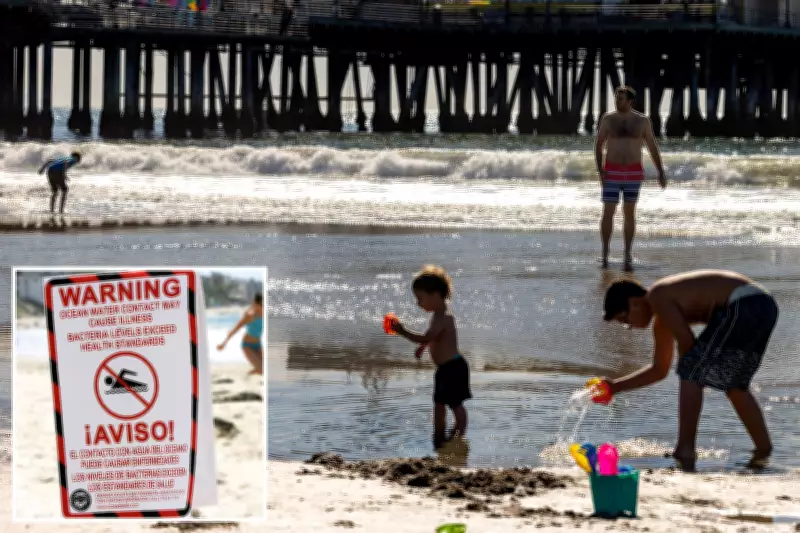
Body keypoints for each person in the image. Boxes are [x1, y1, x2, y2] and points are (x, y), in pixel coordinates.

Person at [599, 270, 779, 472]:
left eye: (624, 320)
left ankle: (685, 450)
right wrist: (615, 387)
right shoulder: (662, 319)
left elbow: (686, 342)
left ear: (634, 303)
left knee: (690, 369)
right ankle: (764, 449)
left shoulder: (657, 296)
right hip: (764, 305)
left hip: (745, 304)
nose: (629, 327)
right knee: (735, 386)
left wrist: (689, 371)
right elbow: (659, 370)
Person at [390, 265, 472, 449]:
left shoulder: (444, 317)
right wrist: (423, 347)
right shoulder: (436, 316)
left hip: (454, 368)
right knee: (439, 403)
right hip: (444, 369)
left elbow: (427, 336)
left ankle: (458, 435)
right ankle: (439, 435)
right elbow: (434, 338)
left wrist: (403, 332)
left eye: (420, 299)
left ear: (435, 295)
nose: (418, 304)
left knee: (455, 404)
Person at [595, 86, 667, 272]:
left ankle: (627, 253)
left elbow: (652, 146)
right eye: (616, 98)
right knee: (608, 212)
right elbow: (599, 144)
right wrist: (600, 170)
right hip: (612, 172)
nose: (617, 102)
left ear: (630, 101)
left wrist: (660, 171)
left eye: (621, 99)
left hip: (633, 173)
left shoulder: (642, 121)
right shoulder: (608, 119)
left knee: (629, 213)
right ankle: (605, 253)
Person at [217, 292, 264, 375]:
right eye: (262, 305)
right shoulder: (250, 316)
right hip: (247, 345)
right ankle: (248, 375)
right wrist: (223, 343)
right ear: (256, 304)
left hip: (258, 345)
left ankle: (251, 374)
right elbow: (235, 329)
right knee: (261, 370)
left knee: (265, 369)